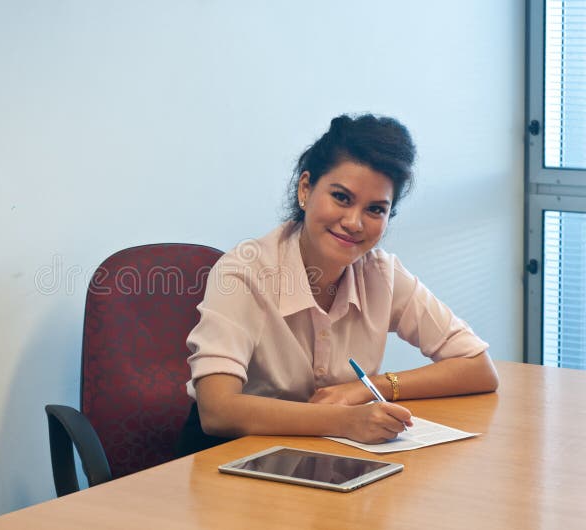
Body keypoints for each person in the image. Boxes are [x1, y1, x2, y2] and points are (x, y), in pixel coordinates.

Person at [177, 113, 499, 455]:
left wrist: (371, 388)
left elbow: (479, 368)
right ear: (305, 189)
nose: (354, 222)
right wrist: (346, 421)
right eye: (342, 198)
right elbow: (217, 410)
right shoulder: (244, 271)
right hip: (230, 454)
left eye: (375, 209)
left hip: (325, 453)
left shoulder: (382, 274)